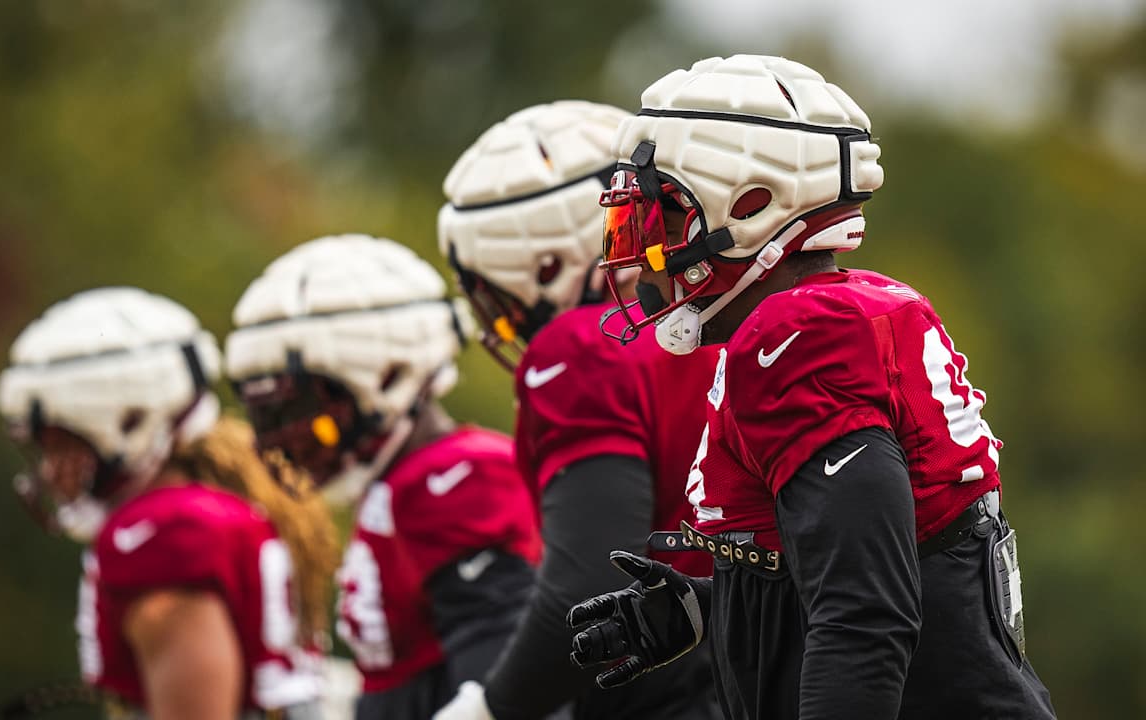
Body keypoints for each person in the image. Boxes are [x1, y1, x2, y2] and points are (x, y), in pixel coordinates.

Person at [567, 55, 1057, 719]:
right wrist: (708, 610)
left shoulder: (800, 336)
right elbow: (868, 567)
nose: (641, 248)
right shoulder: (838, 314)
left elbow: (867, 616)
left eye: (664, 217)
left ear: (749, 206)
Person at [433, 101, 720, 720]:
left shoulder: (583, 347)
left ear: (545, 262)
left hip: (679, 689)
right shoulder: (724, 316)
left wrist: (493, 708)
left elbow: (592, 587)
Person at [224, 234, 542, 720]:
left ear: (386, 375)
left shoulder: (456, 480)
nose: (279, 438)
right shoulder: (394, 485)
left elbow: (502, 693)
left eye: (298, 407)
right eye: (267, 416)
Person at [0, 286, 338, 719]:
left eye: (63, 445)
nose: (49, 470)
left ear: (127, 422)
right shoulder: (210, 508)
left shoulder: (161, 537)